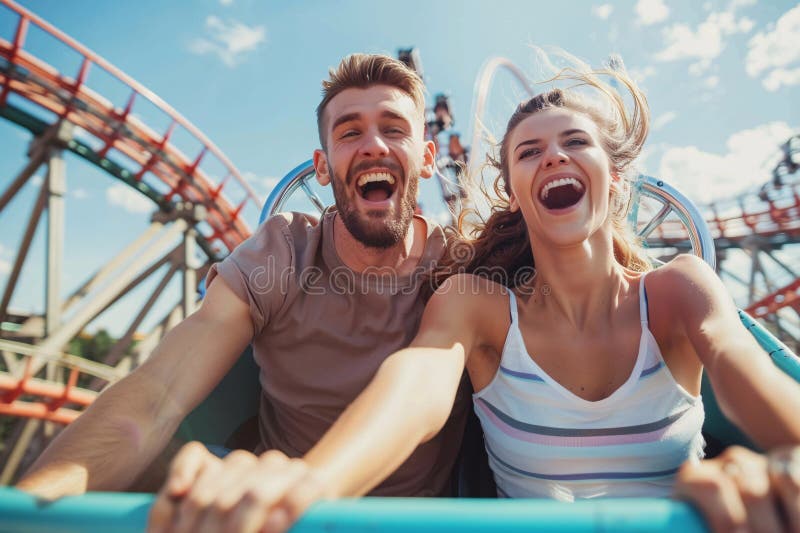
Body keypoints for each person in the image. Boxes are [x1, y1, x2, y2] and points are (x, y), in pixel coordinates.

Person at [150, 61, 800, 533]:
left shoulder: (679, 290)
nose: (553, 158)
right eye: (529, 151)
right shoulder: (476, 303)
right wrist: (309, 483)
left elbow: (751, 379)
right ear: (514, 189)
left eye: (575, 143)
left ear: (618, 180)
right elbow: (416, 388)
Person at [16, 53, 469, 511]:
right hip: (272, 516)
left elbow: (422, 387)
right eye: (349, 132)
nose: (372, 145)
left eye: (393, 128)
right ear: (323, 166)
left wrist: (309, 486)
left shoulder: (460, 266)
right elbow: (157, 392)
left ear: (427, 158)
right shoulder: (282, 251)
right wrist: (28, 513)